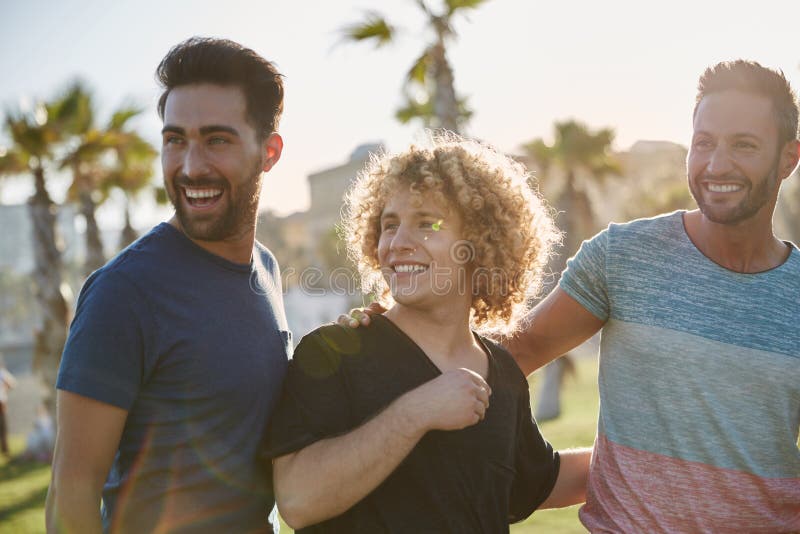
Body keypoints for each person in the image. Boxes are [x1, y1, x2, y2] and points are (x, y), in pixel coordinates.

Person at [346, 60, 800, 532]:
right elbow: (509, 355)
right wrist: (391, 339)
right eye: (704, 143)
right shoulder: (623, 256)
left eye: (743, 145)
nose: (716, 164)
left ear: (789, 157)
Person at [266, 134, 592, 532]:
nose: (398, 243)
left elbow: (537, 482)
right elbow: (298, 501)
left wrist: (664, 451)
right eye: (389, 225)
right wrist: (415, 413)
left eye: (427, 224)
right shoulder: (333, 353)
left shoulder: (502, 373)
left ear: (479, 243)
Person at [46, 37, 290, 534]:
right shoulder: (123, 293)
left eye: (216, 140)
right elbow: (70, 496)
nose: (190, 166)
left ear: (269, 152)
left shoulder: (266, 268)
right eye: (175, 139)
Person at [0, 354, 16, 457]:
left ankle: (5, 450)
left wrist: (4, 389)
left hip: (1, 403)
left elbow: (12, 384)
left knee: (3, 427)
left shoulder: (2, 373)